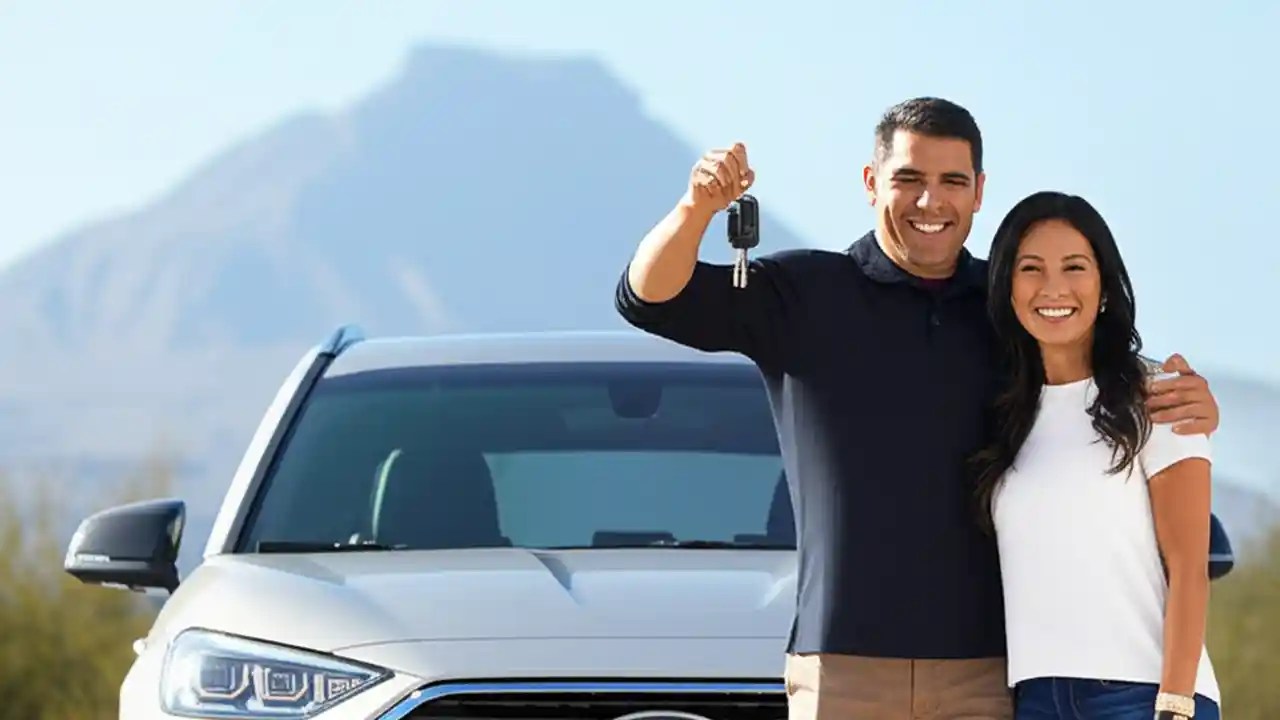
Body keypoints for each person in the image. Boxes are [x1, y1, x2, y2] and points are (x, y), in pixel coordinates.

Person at [613, 96, 1221, 720]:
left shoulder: (1009, 308)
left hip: (988, 673)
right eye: (909, 180)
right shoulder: (805, 295)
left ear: (979, 191)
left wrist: (1183, 400)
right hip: (843, 666)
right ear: (872, 182)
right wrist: (696, 209)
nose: (931, 203)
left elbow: (1094, 386)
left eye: (952, 182)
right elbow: (650, 297)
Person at [970, 191, 1222, 720]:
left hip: (1142, 695)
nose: (1053, 288)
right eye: (1031, 268)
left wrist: (1174, 706)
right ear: (1008, 288)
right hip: (1036, 698)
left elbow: (1188, 568)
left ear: (1104, 285)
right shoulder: (1005, 417)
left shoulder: (1158, 396)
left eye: (1075, 267)